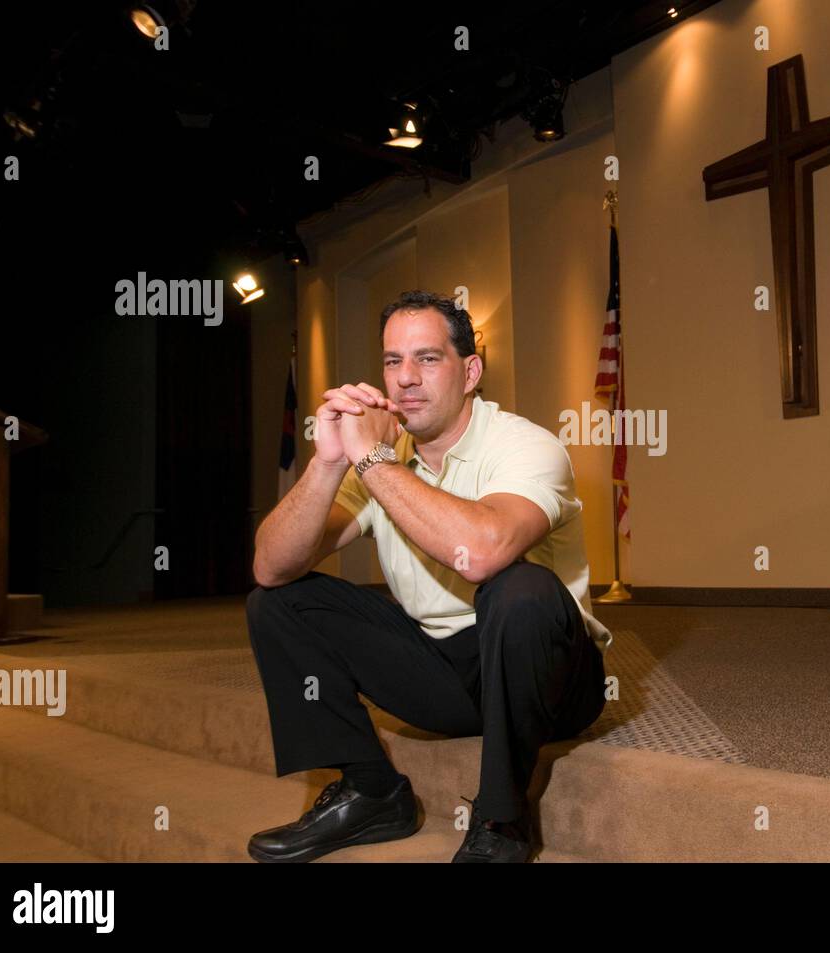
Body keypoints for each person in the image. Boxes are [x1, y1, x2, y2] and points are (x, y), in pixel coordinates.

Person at [245, 290, 612, 863]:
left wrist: (373, 462)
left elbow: (483, 550)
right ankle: (372, 793)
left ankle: (502, 820)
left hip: (549, 674)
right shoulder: (381, 455)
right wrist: (329, 462)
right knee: (278, 602)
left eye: (427, 358)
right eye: (393, 361)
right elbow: (270, 564)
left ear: (471, 371)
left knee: (516, 588)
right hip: (446, 674)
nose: (405, 379)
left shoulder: (527, 445)